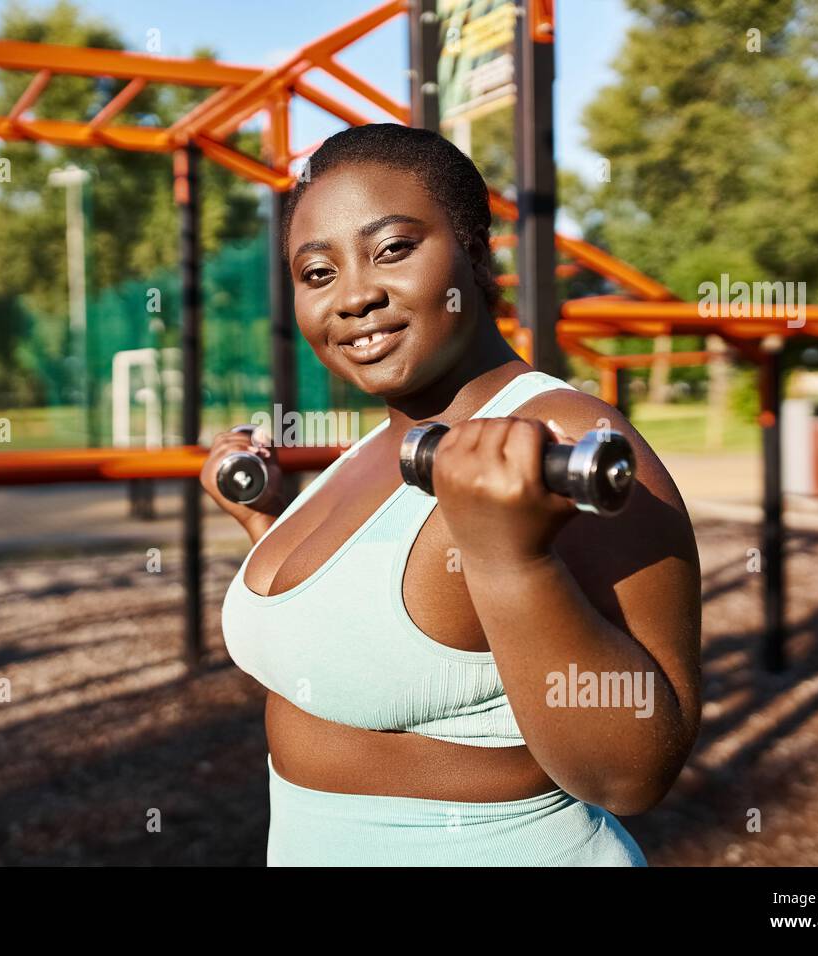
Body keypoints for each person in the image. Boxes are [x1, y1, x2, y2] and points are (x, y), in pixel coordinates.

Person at [201, 123, 702, 866]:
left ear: (474, 250)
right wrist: (267, 523)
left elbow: (632, 775)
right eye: (317, 272)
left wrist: (512, 563)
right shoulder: (382, 443)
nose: (356, 295)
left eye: (393, 249)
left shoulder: (560, 437)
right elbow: (369, 636)